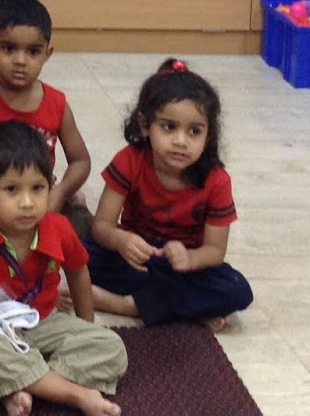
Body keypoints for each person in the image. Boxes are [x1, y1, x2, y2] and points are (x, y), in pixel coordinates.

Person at [0, 122, 126, 416]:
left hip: (42, 321)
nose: (28, 203)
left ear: (50, 184)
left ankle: (17, 385)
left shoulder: (58, 227)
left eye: (38, 188)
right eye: (11, 189)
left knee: (112, 348)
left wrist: (86, 326)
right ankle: (74, 394)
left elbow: (79, 273)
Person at [87, 58, 253, 330]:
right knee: (80, 255)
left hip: (182, 267)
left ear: (208, 136)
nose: (180, 141)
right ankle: (184, 310)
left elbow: (214, 251)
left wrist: (189, 259)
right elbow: (101, 227)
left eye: (194, 131)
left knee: (236, 290)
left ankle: (126, 306)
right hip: (135, 258)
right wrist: (121, 240)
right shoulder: (129, 160)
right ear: (144, 125)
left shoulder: (217, 180)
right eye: (168, 127)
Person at [0, 0, 93, 230]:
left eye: (33, 52)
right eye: (8, 48)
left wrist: (60, 193)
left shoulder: (56, 103)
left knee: (85, 228)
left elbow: (80, 160)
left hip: (39, 199)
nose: (20, 61)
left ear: (48, 53)